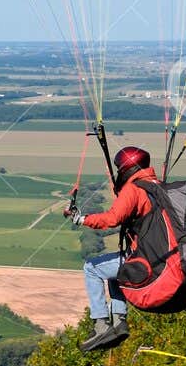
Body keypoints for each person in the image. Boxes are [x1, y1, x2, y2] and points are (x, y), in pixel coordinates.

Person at [65, 145, 157, 352]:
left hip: (142, 259)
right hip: (159, 256)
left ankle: (100, 324)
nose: (119, 173)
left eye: (121, 169)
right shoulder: (157, 186)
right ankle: (119, 321)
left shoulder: (134, 189)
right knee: (114, 272)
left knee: (91, 268)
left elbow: (112, 219)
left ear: (127, 169)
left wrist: (81, 219)